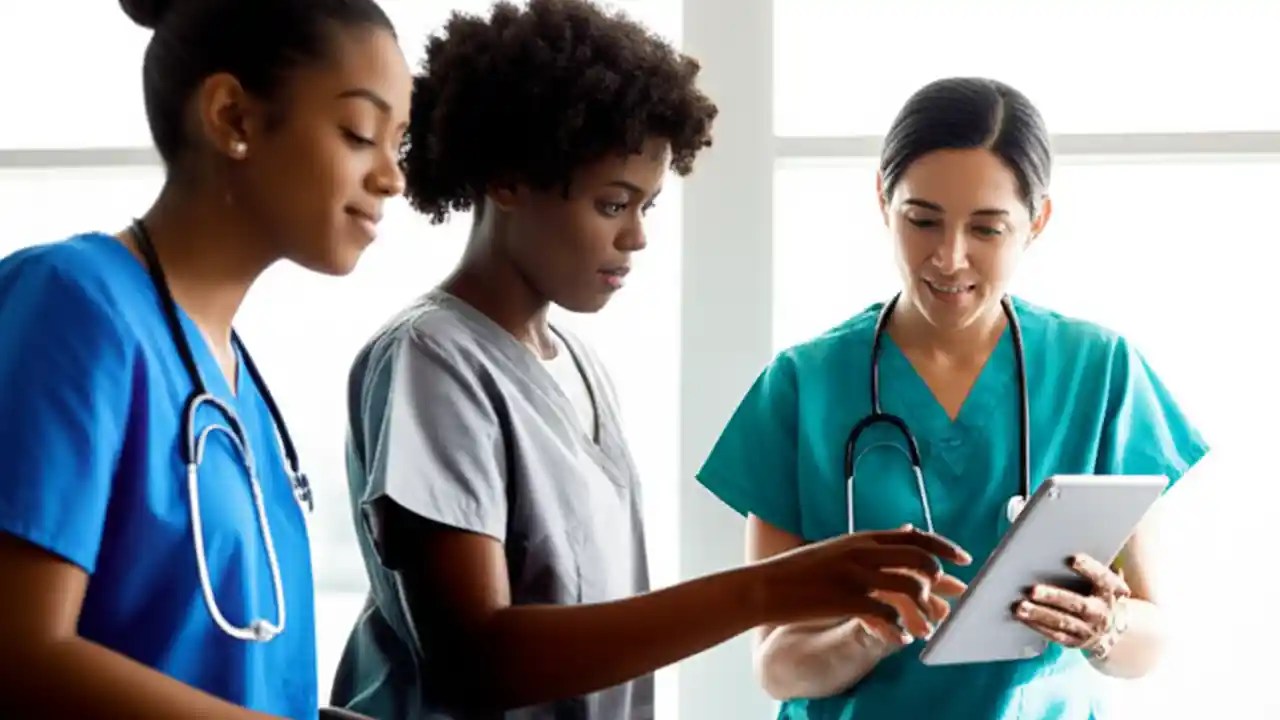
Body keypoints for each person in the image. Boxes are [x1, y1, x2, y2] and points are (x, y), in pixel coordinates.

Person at [327, 3, 972, 719]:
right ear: (508, 181)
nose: (636, 237)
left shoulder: (577, 367)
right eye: (612, 204)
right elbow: (479, 661)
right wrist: (772, 589)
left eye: (648, 206)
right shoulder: (432, 358)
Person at [695, 75, 1210, 719]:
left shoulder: (1100, 372)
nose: (949, 258)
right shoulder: (804, 383)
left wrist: (1105, 626)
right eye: (923, 220)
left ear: (1037, 221)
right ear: (883, 201)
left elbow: (1150, 638)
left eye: (988, 229)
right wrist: (865, 636)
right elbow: (775, 664)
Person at [0, 1, 410, 718]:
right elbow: (20, 650)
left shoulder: (236, 383)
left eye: (397, 145)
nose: (391, 178)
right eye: (359, 133)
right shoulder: (72, 305)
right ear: (233, 117)